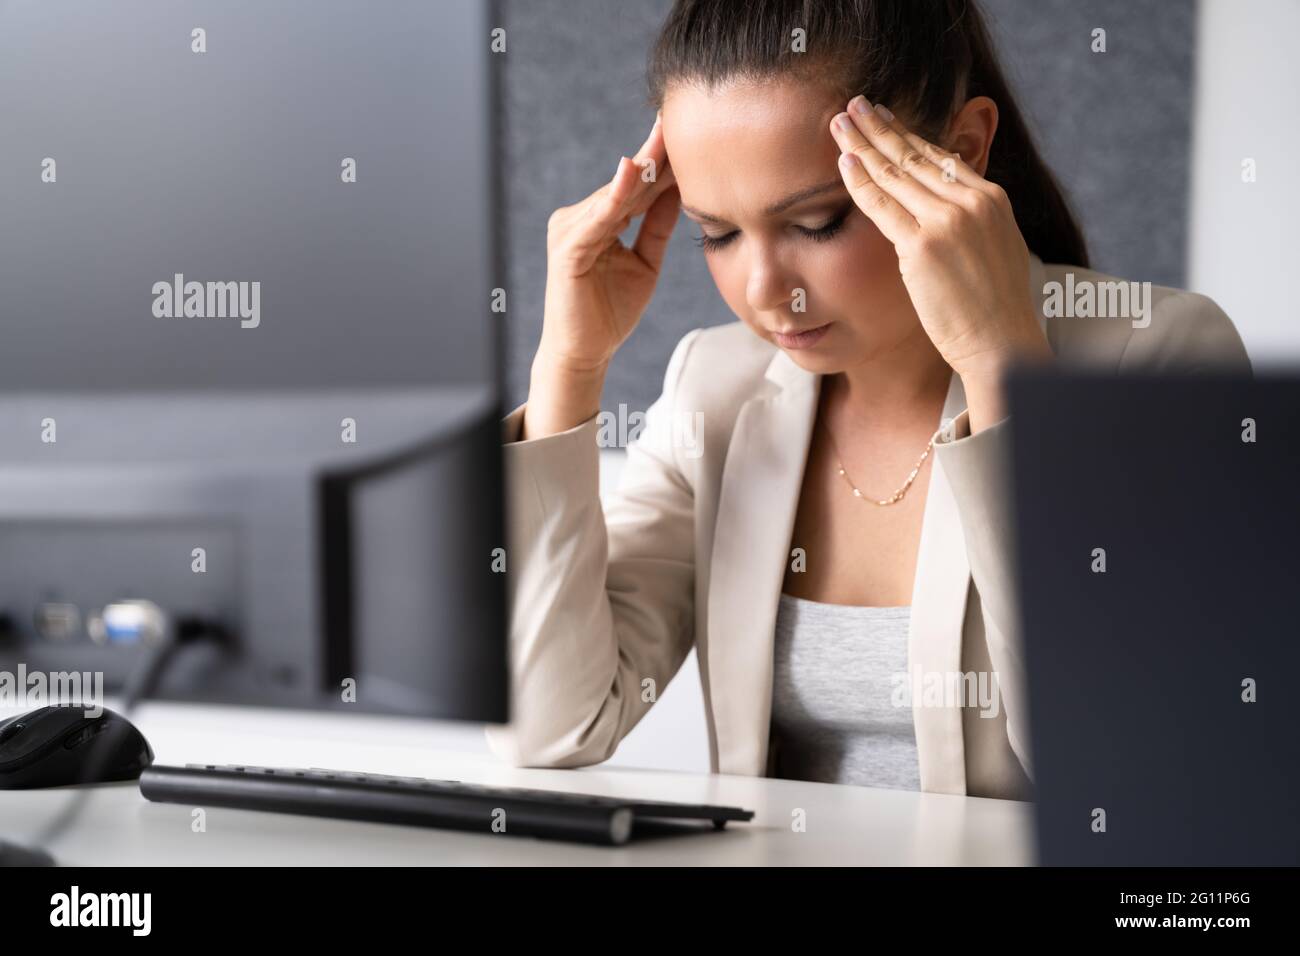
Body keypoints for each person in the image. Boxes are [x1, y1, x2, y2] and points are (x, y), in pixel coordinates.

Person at [485, 0, 1249, 799]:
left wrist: (1000, 366)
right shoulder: (715, 388)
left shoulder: (1159, 356)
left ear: (961, 152)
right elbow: (549, 728)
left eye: (817, 222)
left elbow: (1121, 766)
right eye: (717, 234)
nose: (763, 290)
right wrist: (567, 368)